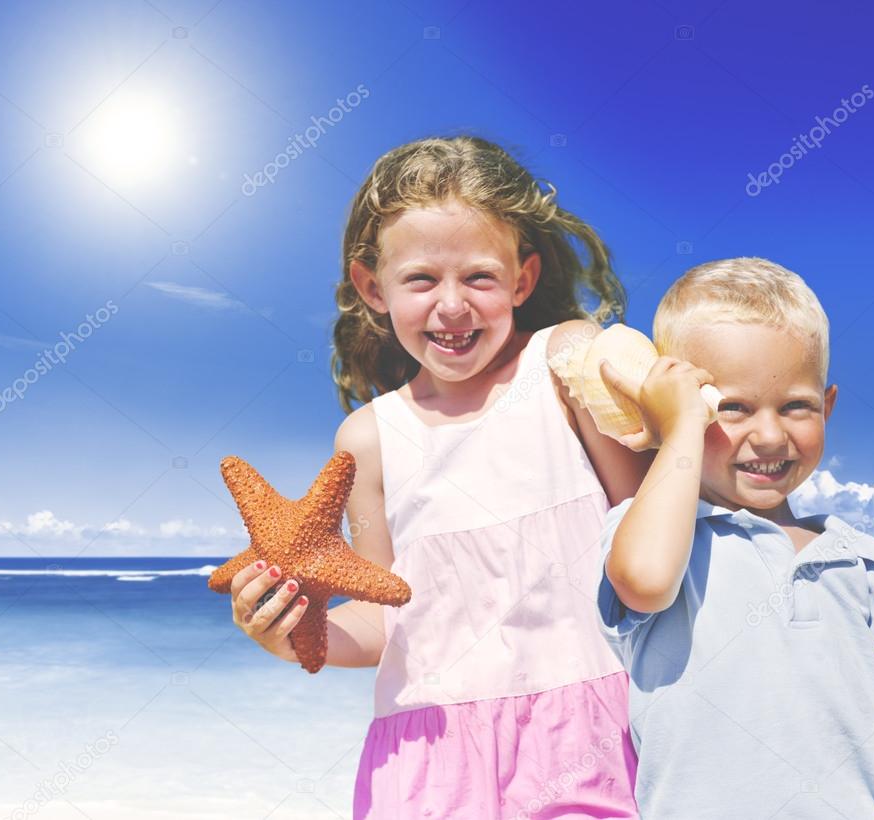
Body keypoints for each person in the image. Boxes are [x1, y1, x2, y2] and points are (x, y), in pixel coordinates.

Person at [225, 135, 654, 818]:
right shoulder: (369, 439)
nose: (452, 306)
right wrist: (293, 635)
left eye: (479, 277)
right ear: (373, 287)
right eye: (421, 280)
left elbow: (647, 535)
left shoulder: (563, 364)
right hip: (426, 753)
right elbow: (382, 611)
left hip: (584, 731)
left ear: (522, 280)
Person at [596, 257, 874, 819]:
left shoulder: (867, 564)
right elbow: (644, 580)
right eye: (731, 408)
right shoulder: (649, 534)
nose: (769, 435)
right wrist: (679, 427)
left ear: (827, 407)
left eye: (796, 407)